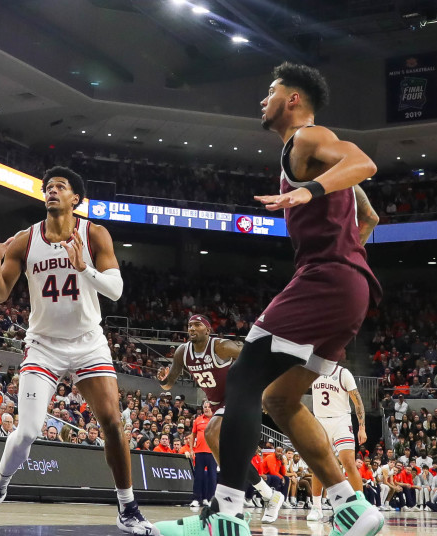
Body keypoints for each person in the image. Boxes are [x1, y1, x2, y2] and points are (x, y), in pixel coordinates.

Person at [155, 62, 383, 536]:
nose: (263, 100)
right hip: (350, 286)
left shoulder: (306, 139)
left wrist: (309, 195)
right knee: (280, 399)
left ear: (293, 99)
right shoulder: (307, 151)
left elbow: (365, 164)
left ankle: (226, 516)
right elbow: (370, 216)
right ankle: (352, 507)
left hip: (325, 279)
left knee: (242, 379)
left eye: (270, 92)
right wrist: (346, 249)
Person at [0, 167, 153, 534]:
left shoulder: (94, 233)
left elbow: (114, 290)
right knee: (28, 430)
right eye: (48, 187)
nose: (51, 191)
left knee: (113, 424)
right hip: (44, 346)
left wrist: (84, 267)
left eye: (60, 187)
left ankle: (128, 509)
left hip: (88, 343)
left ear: (76, 199)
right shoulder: (25, 239)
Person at [158, 315, 283, 520]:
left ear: (208, 330)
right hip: (218, 404)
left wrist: (264, 388)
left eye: (197, 325)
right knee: (236, 459)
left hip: (237, 396)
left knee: (211, 432)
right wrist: (162, 380)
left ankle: (229, 490)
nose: (191, 328)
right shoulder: (182, 352)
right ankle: (269, 494)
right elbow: (168, 383)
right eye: (189, 325)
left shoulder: (221, 347)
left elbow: (252, 356)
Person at [306, 365, 368, 522]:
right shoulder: (313, 371)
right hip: (320, 420)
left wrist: (362, 428)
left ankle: (361, 504)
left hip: (341, 420)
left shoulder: (343, 373)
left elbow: (358, 402)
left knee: (348, 463)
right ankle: (316, 507)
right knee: (318, 465)